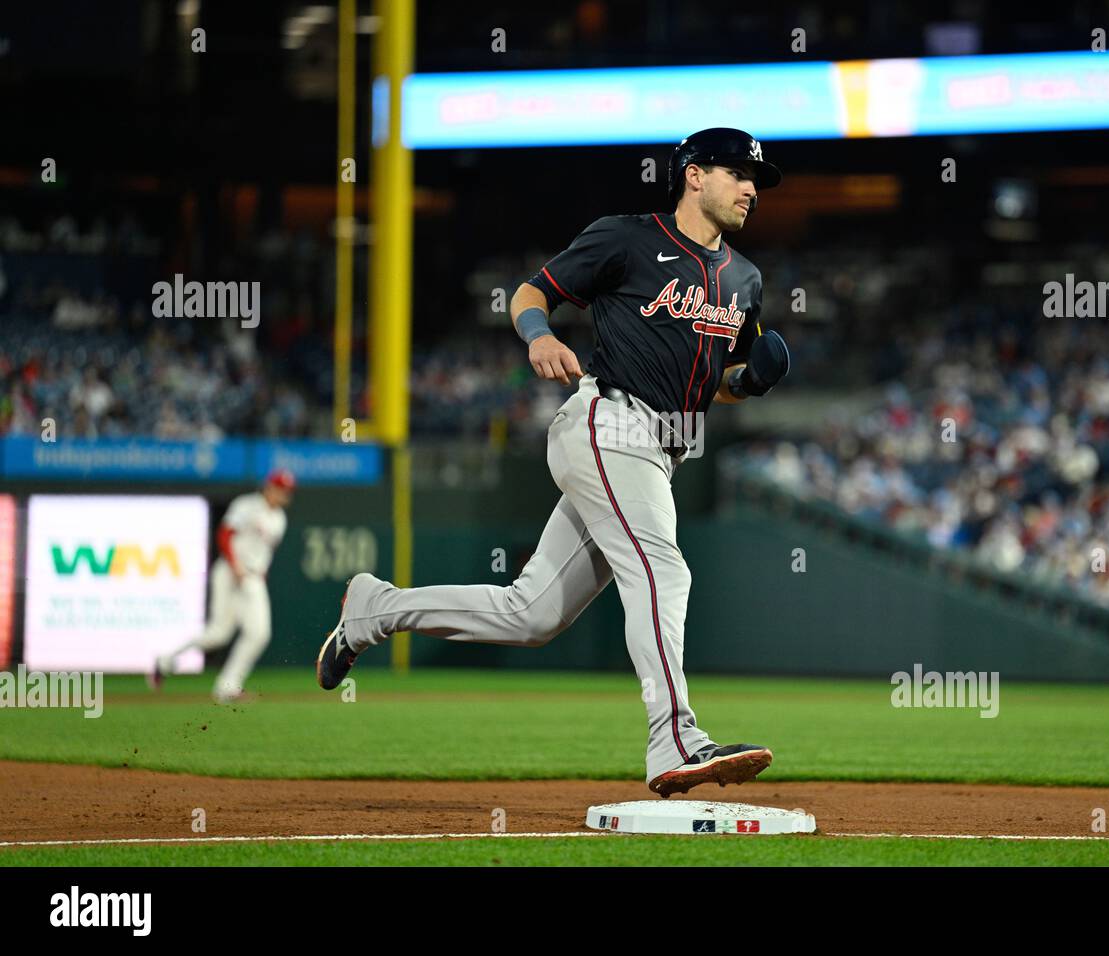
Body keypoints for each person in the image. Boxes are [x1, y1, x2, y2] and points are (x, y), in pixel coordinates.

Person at [316, 128, 792, 797]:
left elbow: (710, 379)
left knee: (530, 614)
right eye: (740, 173)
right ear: (693, 174)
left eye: (757, 179)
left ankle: (375, 611)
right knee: (664, 570)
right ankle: (674, 741)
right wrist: (538, 335)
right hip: (609, 422)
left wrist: (747, 382)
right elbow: (531, 291)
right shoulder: (627, 238)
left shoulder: (745, 279)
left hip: (661, 452)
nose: (751, 188)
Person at [152, 469, 296, 703]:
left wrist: (259, 573)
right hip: (230, 571)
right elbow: (225, 534)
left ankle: (227, 686)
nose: (284, 495)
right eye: (281, 489)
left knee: (259, 633)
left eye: (288, 491)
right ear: (269, 487)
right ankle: (166, 660)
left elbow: (264, 552)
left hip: (252, 578)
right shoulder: (248, 505)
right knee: (219, 633)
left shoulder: (279, 519)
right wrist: (235, 565)